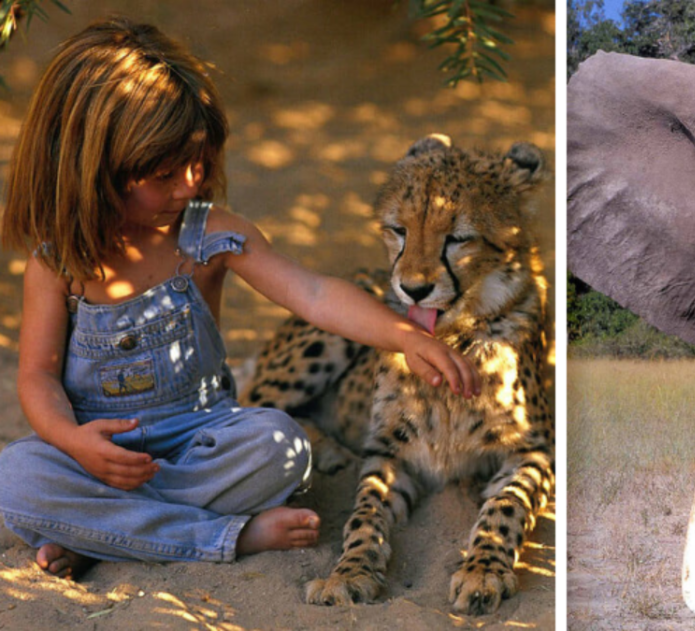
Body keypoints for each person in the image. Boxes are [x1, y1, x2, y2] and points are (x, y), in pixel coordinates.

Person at [0, 18, 480, 579]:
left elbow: (314, 292)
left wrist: (402, 335)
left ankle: (107, 533)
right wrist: (72, 443)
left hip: (202, 441)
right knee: (18, 477)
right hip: (96, 456)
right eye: (162, 173)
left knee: (281, 447)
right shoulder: (57, 265)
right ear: (90, 171)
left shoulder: (210, 235)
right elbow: (37, 376)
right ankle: (225, 535)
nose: (187, 185)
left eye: (197, 163)